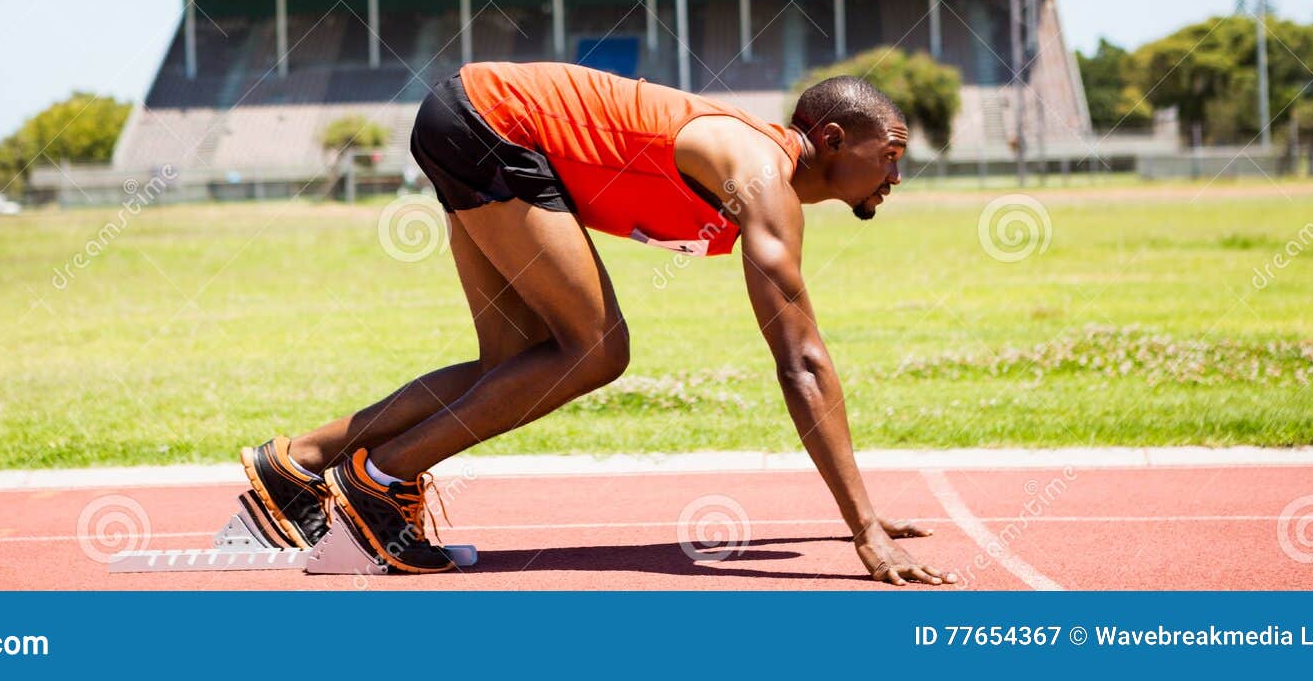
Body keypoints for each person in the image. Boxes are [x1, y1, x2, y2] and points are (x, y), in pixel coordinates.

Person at [242, 60, 956, 585]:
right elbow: (800, 360)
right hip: (491, 122)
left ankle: (297, 461)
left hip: (471, 117)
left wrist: (859, 515)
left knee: (514, 361)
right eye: (890, 155)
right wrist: (864, 528)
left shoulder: (760, 166)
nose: (896, 175)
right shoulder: (765, 175)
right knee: (597, 348)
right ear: (831, 139)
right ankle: (381, 477)